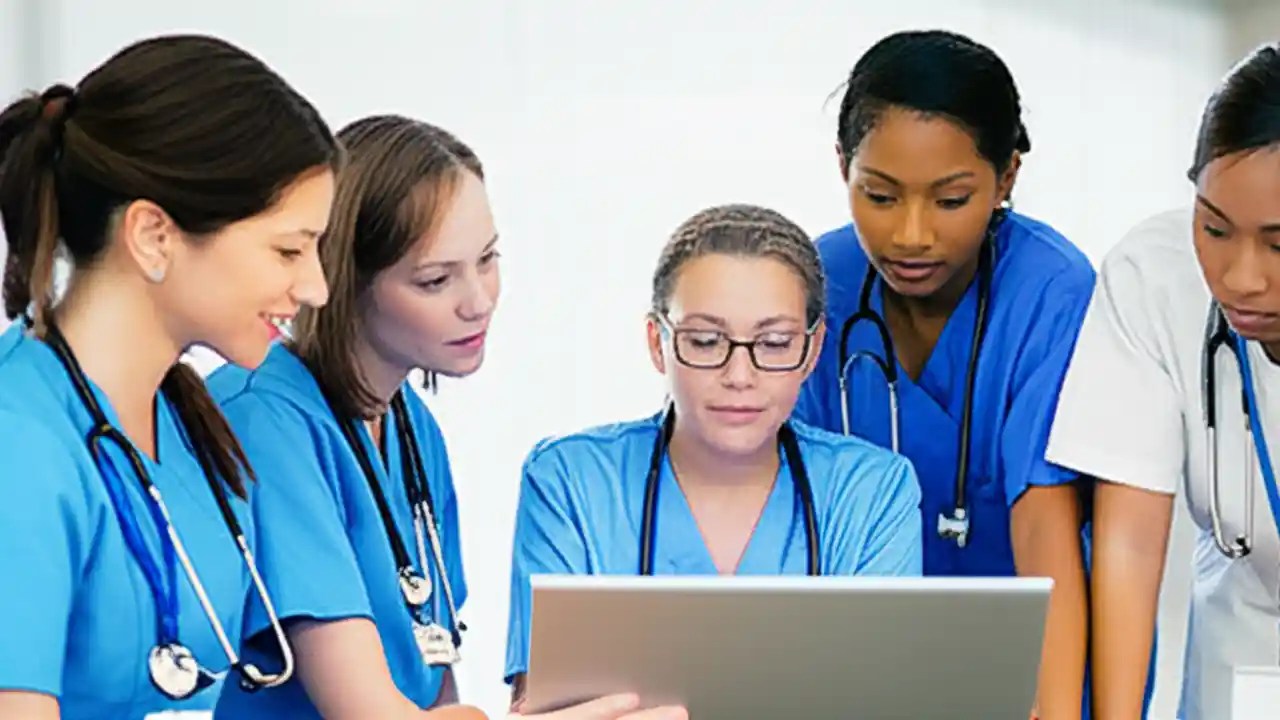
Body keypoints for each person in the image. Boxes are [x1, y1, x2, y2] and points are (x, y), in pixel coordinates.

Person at [207, 114, 681, 720]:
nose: (479, 302)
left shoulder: (411, 427)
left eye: (487, 259)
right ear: (345, 281)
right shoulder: (264, 420)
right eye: (434, 280)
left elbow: (433, 676)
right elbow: (368, 712)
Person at [0, 34, 339, 719]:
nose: (317, 288)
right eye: (288, 251)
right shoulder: (21, 439)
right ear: (154, 236)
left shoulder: (190, 428)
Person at [504, 203, 924, 707]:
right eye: (705, 341)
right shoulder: (571, 482)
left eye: (774, 343)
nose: (739, 376)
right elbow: (545, 709)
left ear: (812, 351)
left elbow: (884, 704)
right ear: (657, 342)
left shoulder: (872, 492)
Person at [791, 29, 1095, 719]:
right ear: (842, 166)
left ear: (1007, 177)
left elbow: (1044, 520)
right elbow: (781, 503)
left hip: (1030, 657)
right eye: (880, 196)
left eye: (951, 200)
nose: (911, 235)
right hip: (861, 667)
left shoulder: (1049, 290)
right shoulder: (814, 284)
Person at [1046, 42, 1280, 720]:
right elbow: (1129, 542)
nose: (1240, 277)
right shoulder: (1155, 275)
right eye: (1214, 227)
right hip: (1245, 651)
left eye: (1279, 243)